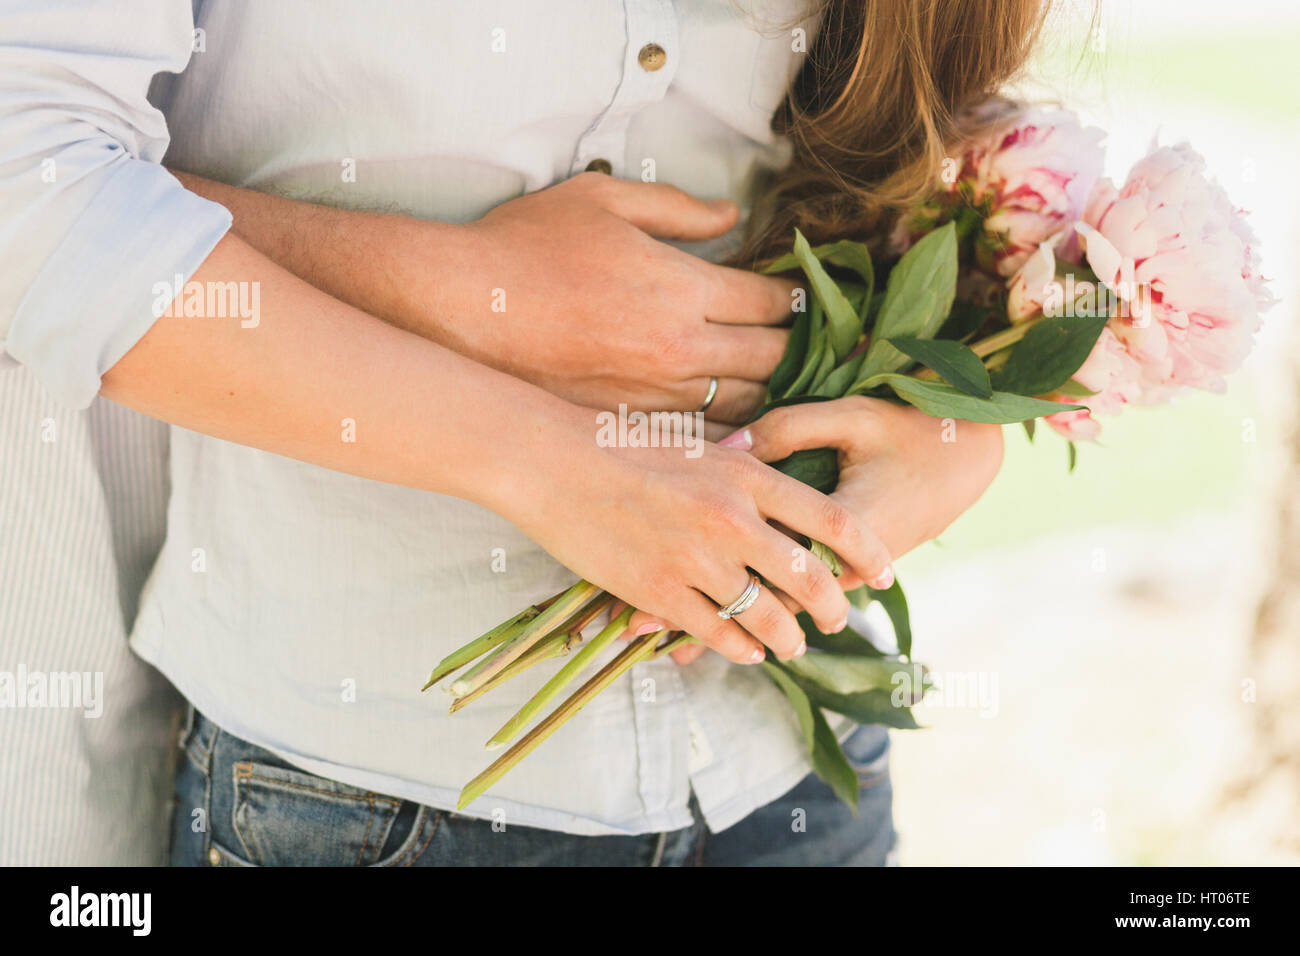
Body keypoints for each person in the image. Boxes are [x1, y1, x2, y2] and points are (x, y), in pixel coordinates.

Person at [1, 0, 1036, 865]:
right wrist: (503, 364)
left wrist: (955, 437)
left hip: (795, 777)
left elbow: (955, 140)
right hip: (353, 792)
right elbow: (31, 177)